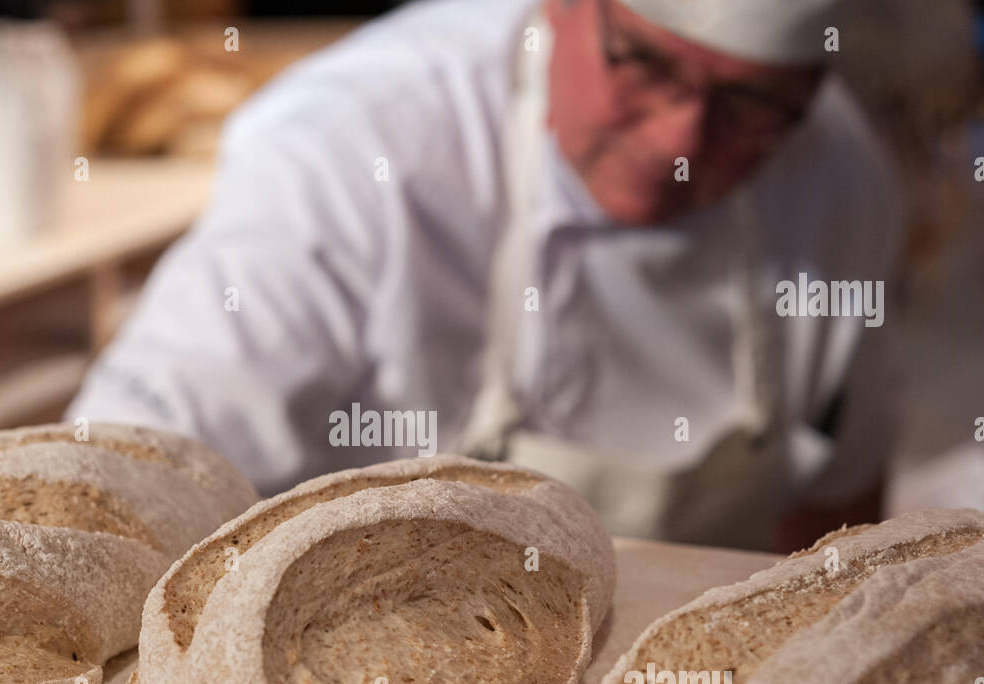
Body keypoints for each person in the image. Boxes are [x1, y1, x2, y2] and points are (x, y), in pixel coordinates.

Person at [69, 0, 903, 552]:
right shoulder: (351, 147)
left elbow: (837, 507)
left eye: (753, 107)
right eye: (643, 64)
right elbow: (122, 494)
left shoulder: (841, 176)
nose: (678, 145)